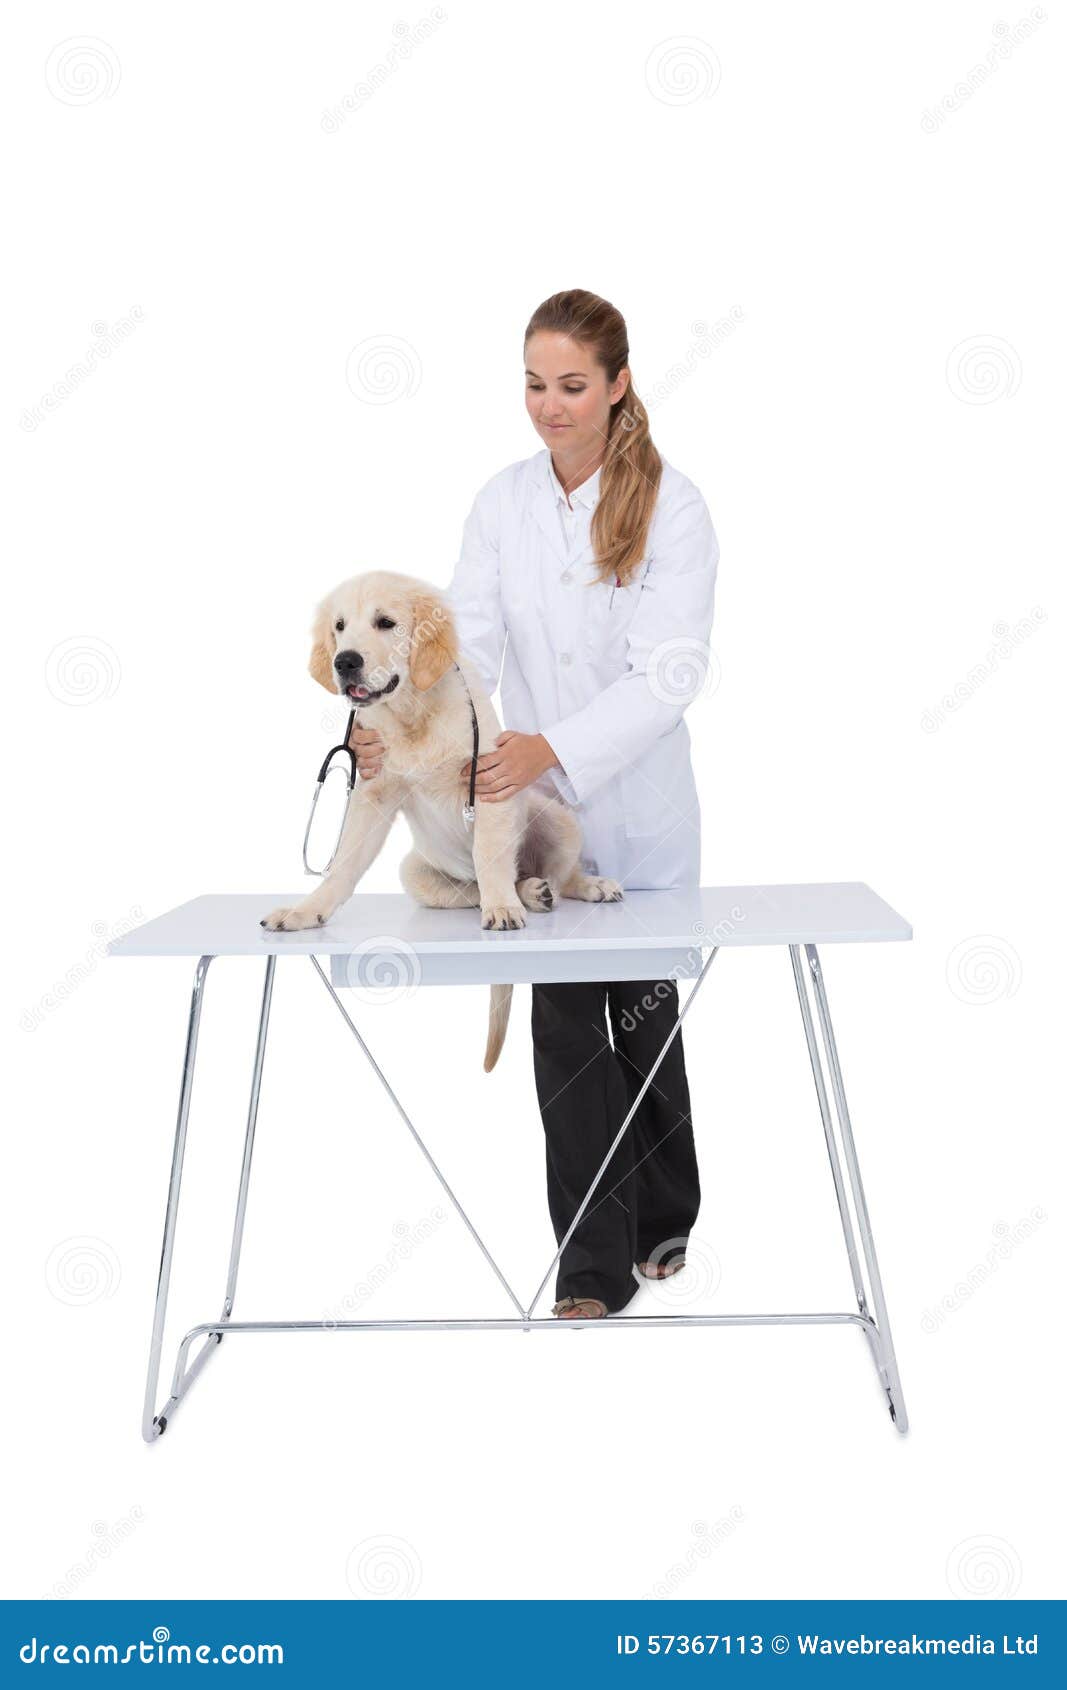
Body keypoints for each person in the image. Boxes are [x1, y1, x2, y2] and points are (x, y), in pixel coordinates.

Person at [352, 289, 719, 1319]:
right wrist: (384, 709)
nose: (549, 406)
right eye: (533, 384)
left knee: (643, 1020)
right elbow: (460, 645)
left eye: (571, 386)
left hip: (636, 808)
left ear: (617, 386)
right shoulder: (501, 503)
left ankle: (663, 1219)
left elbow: (669, 673)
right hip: (531, 809)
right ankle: (590, 1267)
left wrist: (550, 746)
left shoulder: (674, 507)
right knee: (563, 1032)